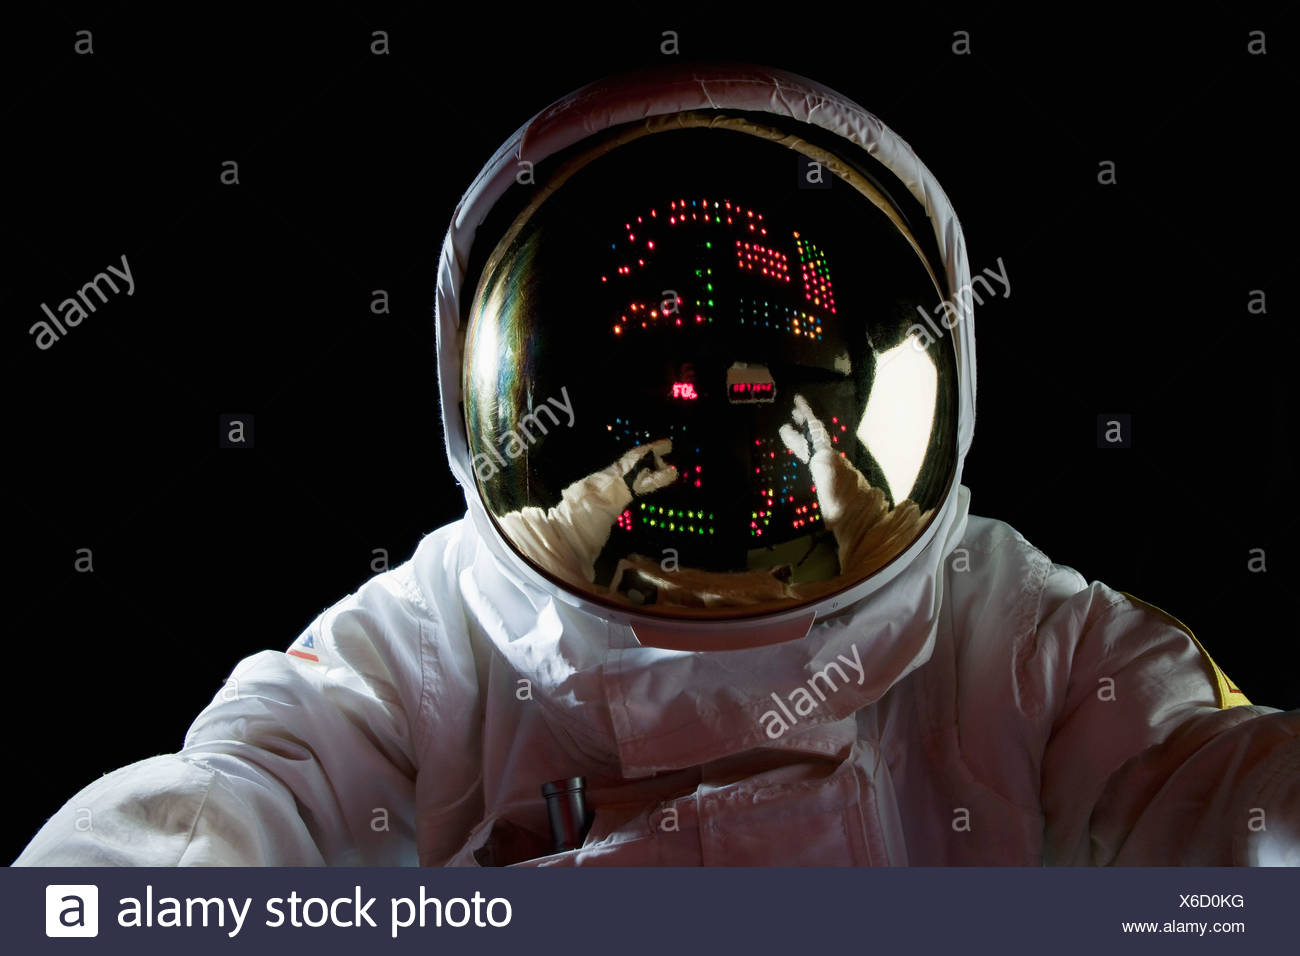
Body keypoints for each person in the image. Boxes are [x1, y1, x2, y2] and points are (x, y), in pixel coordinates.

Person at [15, 63, 1298, 867]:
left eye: (768, 413)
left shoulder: (1013, 636)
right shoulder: (424, 649)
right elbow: (220, 813)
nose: (722, 460)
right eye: (672, 416)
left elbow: (1216, 793)